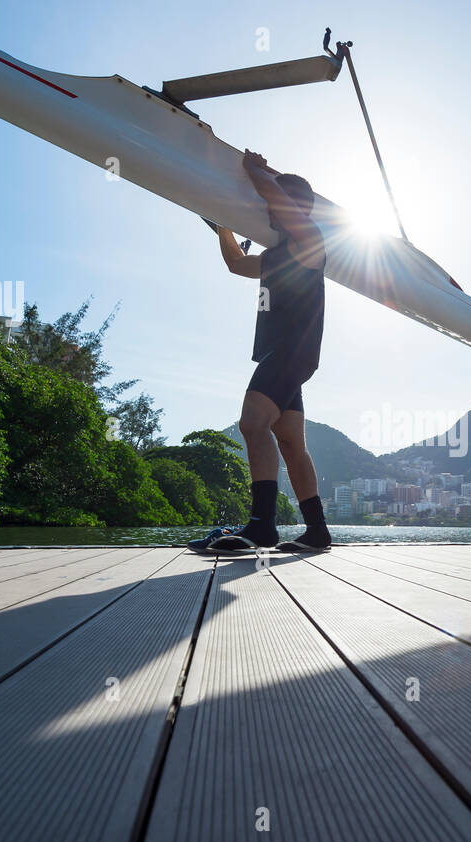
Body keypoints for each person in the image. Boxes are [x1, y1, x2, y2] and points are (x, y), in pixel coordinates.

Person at [199, 149, 332, 553]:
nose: (269, 213)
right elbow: (237, 264)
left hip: (291, 352)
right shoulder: (277, 256)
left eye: (276, 205)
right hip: (286, 353)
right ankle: (317, 531)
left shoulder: (309, 239)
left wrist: (254, 169)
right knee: (290, 442)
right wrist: (223, 227)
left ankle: (261, 527)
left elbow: (277, 200)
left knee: (252, 424)